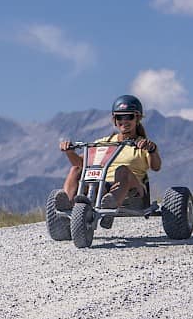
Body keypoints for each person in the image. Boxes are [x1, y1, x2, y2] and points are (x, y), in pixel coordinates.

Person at [55, 94, 162, 227]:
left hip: (133, 190)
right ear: (114, 120)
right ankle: (67, 205)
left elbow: (156, 167)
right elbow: (81, 164)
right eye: (119, 117)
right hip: (102, 187)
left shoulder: (142, 144)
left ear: (138, 118)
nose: (124, 121)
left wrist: (151, 150)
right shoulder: (104, 143)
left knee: (122, 170)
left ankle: (110, 205)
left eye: (129, 116)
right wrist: (69, 152)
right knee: (75, 170)